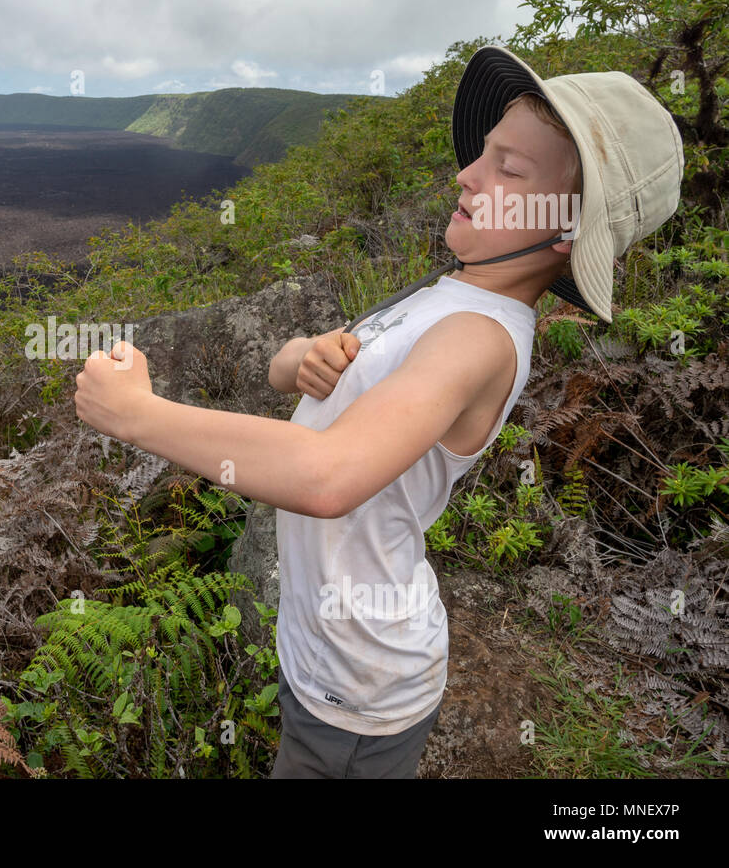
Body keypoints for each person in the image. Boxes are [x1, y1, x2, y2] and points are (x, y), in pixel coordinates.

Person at [73, 44, 684, 778]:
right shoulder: (452, 293)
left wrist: (139, 413)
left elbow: (328, 475)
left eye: (508, 170)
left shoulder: (477, 338)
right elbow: (304, 380)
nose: (468, 174)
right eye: (483, 154)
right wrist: (299, 355)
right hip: (333, 656)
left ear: (564, 230)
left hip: (359, 689)